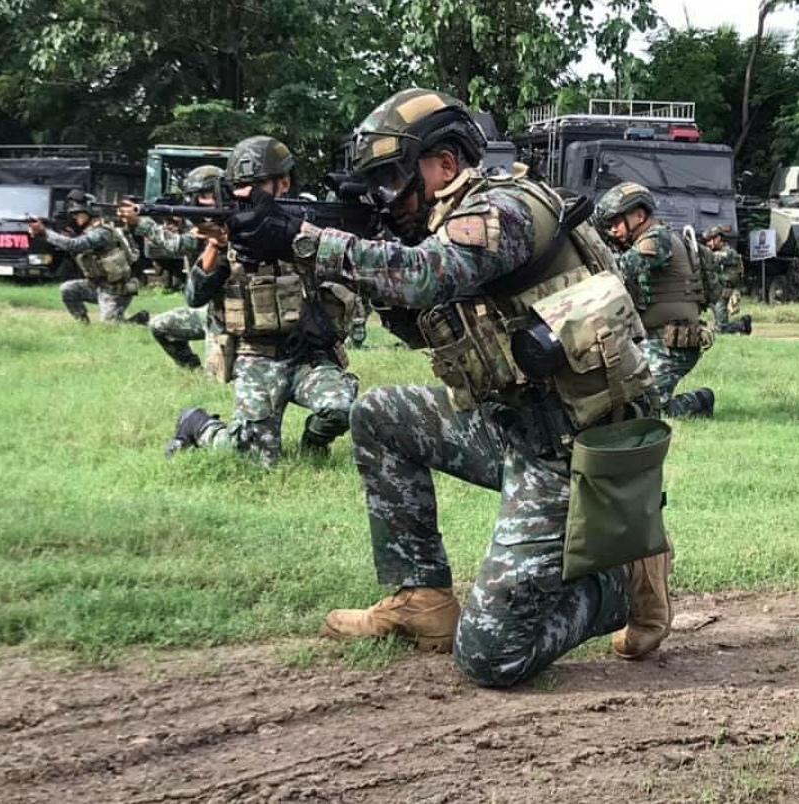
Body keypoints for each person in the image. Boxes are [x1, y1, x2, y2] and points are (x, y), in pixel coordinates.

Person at [225, 88, 675, 688]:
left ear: (441, 163)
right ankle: (422, 600)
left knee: (491, 658)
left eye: (390, 178)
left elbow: (426, 276)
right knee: (379, 415)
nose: (386, 196)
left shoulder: (503, 210)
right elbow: (426, 322)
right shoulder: (443, 223)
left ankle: (616, 584)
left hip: (572, 455)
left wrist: (305, 239)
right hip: (511, 426)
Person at [163, 135, 359, 465]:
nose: (245, 193)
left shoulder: (305, 225)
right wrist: (218, 246)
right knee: (252, 458)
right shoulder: (231, 228)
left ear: (283, 183)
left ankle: (313, 446)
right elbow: (195, 297)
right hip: (257, 358)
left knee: (342, 408)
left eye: (255, 184)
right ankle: (198, 424)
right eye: (239, 185)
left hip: (306, 354)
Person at [594, 182, 716, 418]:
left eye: (616, 222)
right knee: (619, 404)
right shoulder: (648, 238)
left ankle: (700, 400)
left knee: (646, 412)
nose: (612, 230)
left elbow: (620, 269)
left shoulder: (658, 239)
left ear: (639, 215)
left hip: (671, 345)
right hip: (650, 342)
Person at [122, 166, 227, 371]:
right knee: (160, 326)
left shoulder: (243, 226)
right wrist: (140, 221)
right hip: (211, 311)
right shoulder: (201, 228)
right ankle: (191, 370)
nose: (202, 202)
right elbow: (178, 244)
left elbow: (177, 244)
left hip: (233, 316)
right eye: (197, 197)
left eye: (207, 195)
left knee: (217, 379)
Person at [29, 190, 147, 325]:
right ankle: (83, 325)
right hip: (97, 285)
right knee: (68, 289)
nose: (75, 217)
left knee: (109, 328)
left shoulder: (102, 232)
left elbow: (74, 245)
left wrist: (45, 232)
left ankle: (139, 321)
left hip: (116, 289)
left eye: (78, 214)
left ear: (90, 213)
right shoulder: (88, 232)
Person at [703, 225, 751, 336]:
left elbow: (714, 257)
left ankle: (742, 325)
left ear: (718, 239)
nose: (708, 243)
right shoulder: (720, 252)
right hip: (717, 293)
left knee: (721, 328)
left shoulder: (728, 253)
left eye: (710, 240)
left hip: (723, 293)